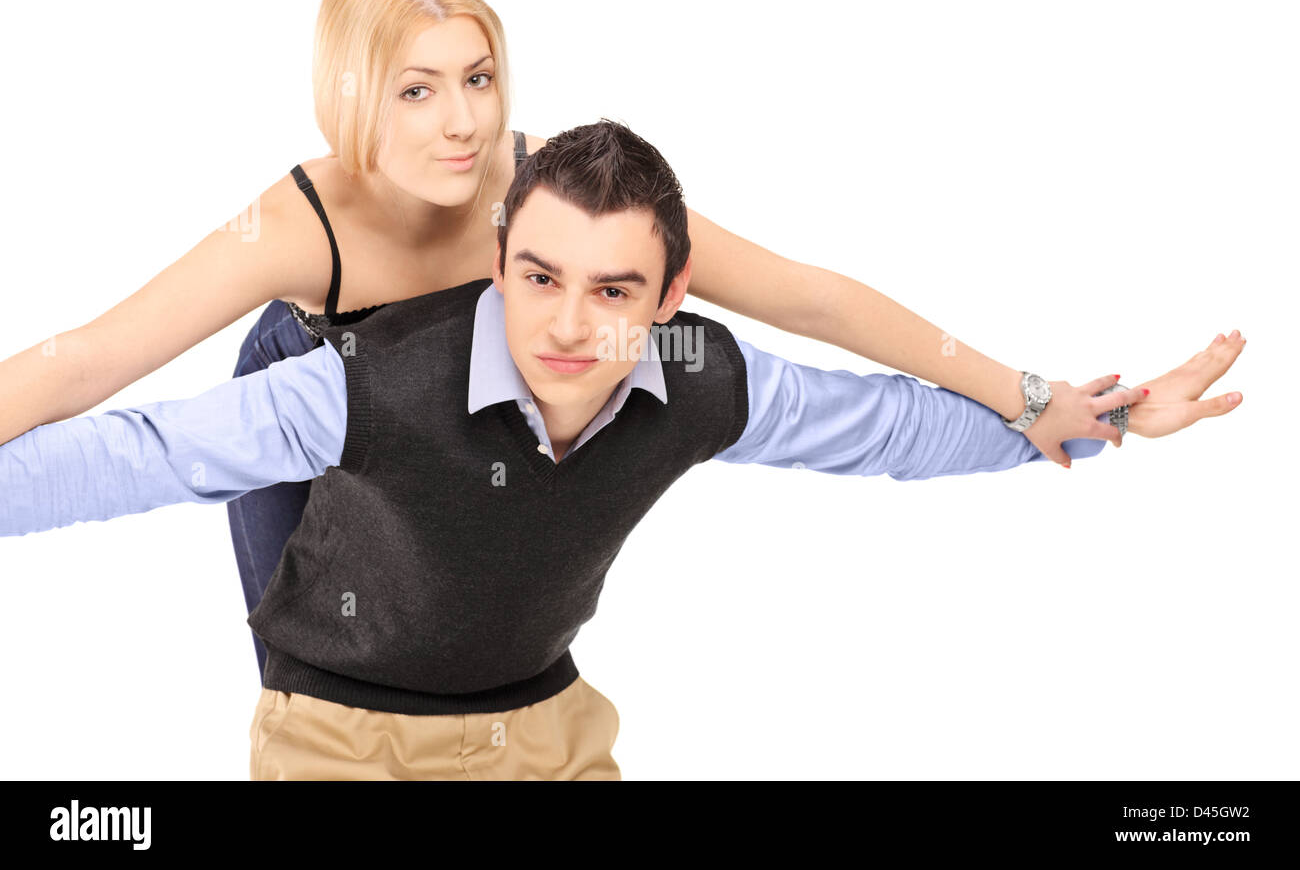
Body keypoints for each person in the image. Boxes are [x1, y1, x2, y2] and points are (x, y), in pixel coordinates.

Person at [0, 120, 1245, 780]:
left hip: (545, 728)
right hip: (341, 734)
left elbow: (882, 424)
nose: (565, 324)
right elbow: (132, 450)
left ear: (670, 297)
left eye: (612, 291)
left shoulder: (699, 376)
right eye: (539, 277)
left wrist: (1088, 417)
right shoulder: (362, 382)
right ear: (497, 264)